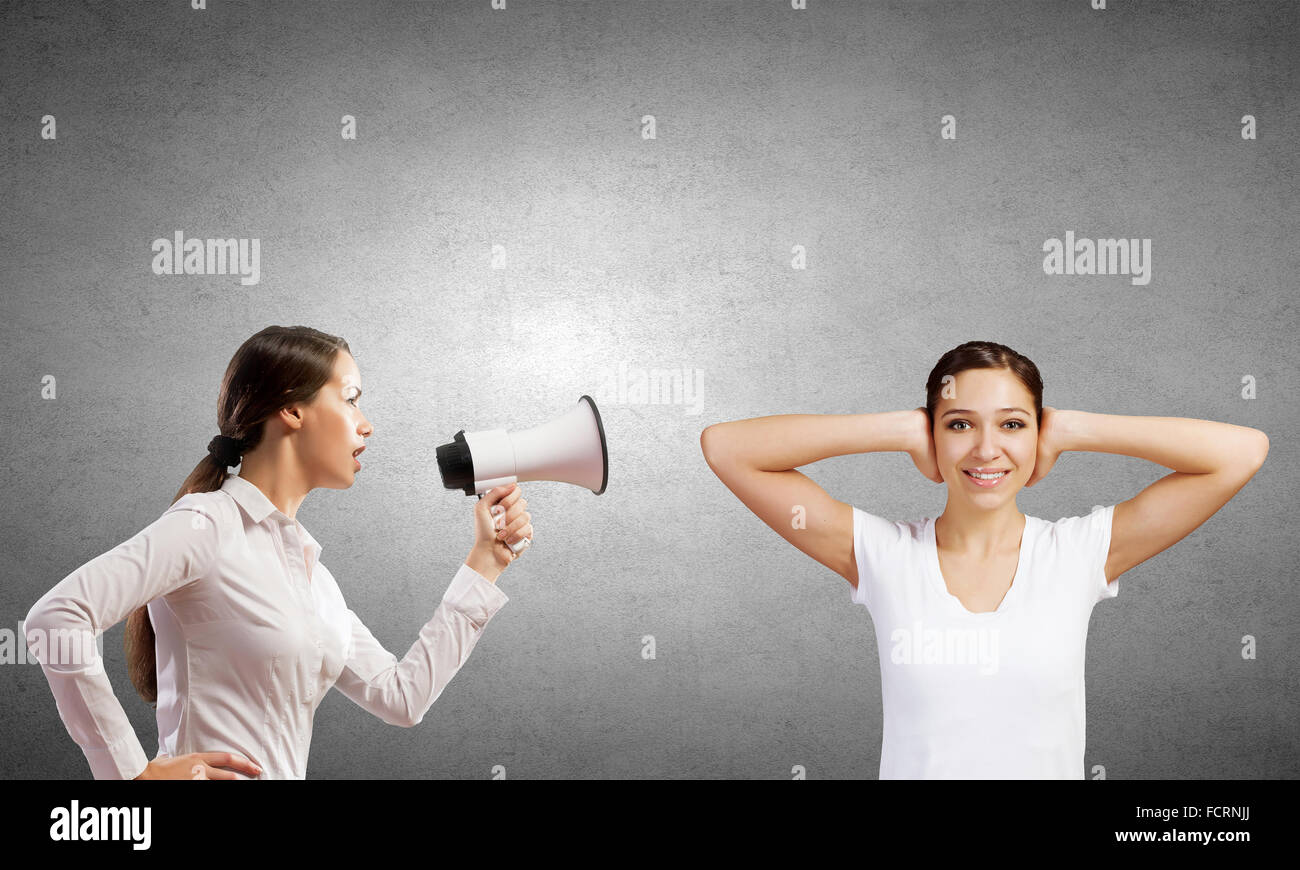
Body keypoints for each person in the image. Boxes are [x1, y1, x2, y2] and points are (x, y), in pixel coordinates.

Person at [699, 340, 1268, 779]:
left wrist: (1071, 428)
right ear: (934, 436)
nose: (986, 449)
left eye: (1013, 425)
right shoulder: (883, 555)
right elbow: (727, 449)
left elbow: (1241, 453)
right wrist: (900, 428)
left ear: (1036, 434)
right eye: (960, 424)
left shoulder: (1078, 553)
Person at [24, 325, 535, 780]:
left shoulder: (314, 581)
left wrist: (485, 564)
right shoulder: (206, 524)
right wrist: (131, 777)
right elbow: (55, 617)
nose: (367, 424)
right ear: (291, 409)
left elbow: (402, 697)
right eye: (351, 398)